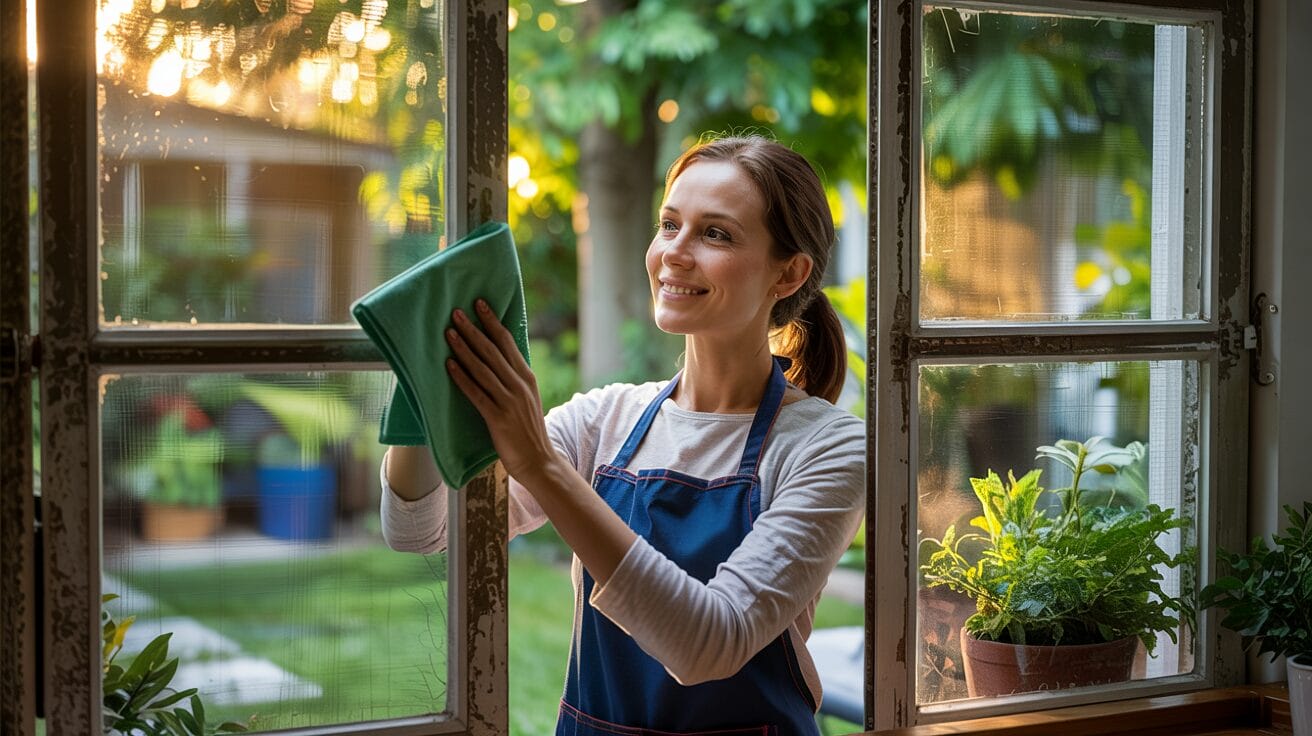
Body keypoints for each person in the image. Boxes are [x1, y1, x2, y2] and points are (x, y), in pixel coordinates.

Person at [381, 135, 865, 735]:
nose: (674, 254)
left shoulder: (828, 447)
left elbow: (711, 642)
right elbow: (421, 531)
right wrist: (425, 352)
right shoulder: (603, 420)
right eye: (669, 225)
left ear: (789, 273)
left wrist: (541, 466)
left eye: (715, 233)